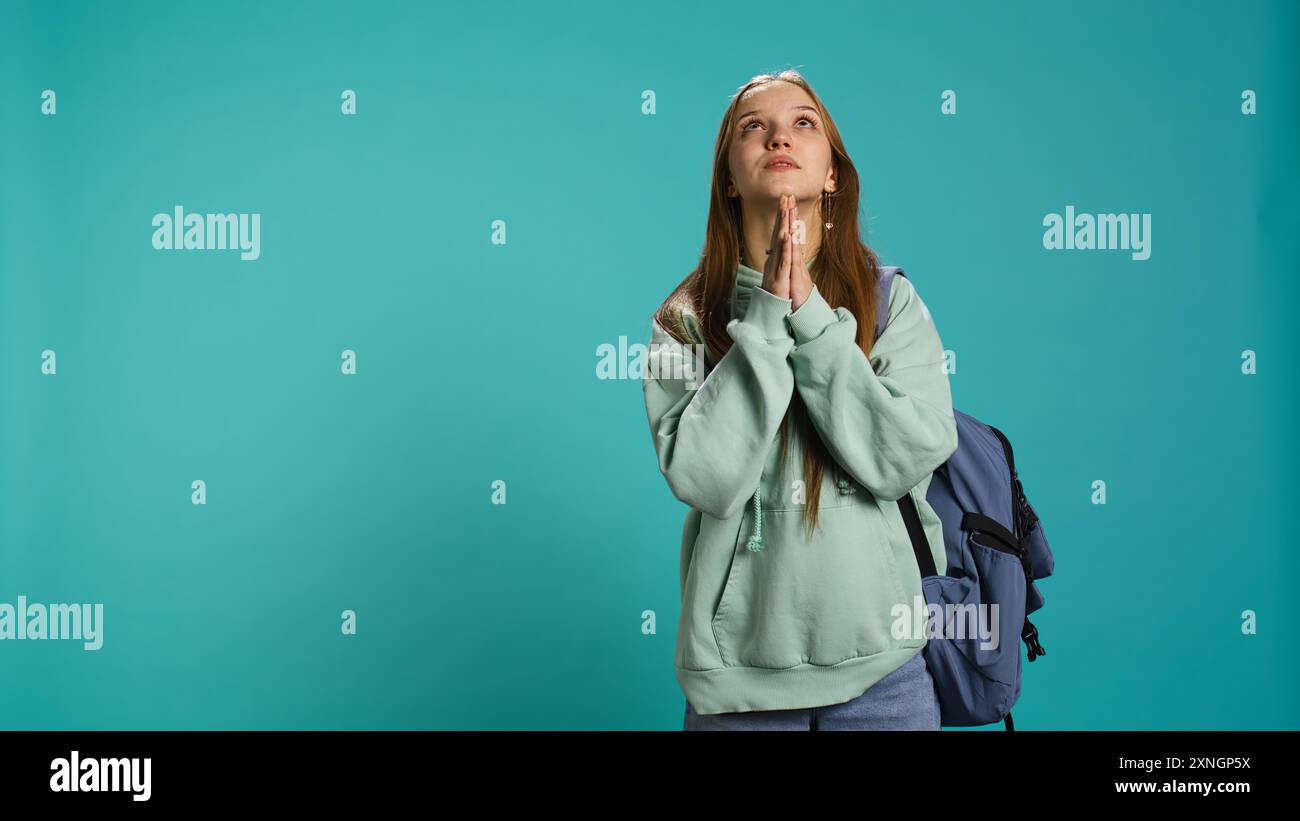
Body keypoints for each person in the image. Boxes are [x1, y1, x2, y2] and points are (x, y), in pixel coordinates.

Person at [641, 70, 959, 730]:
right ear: (729, 176)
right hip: (738, 686)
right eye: (754, 126)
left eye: (803, 122)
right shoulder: (683, 319)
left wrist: (810, 316)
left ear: (833, 175)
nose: (780, 134)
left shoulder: (891, 300)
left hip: (887, 675)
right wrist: (763, 318)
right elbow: (704, 476)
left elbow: (907, 455)